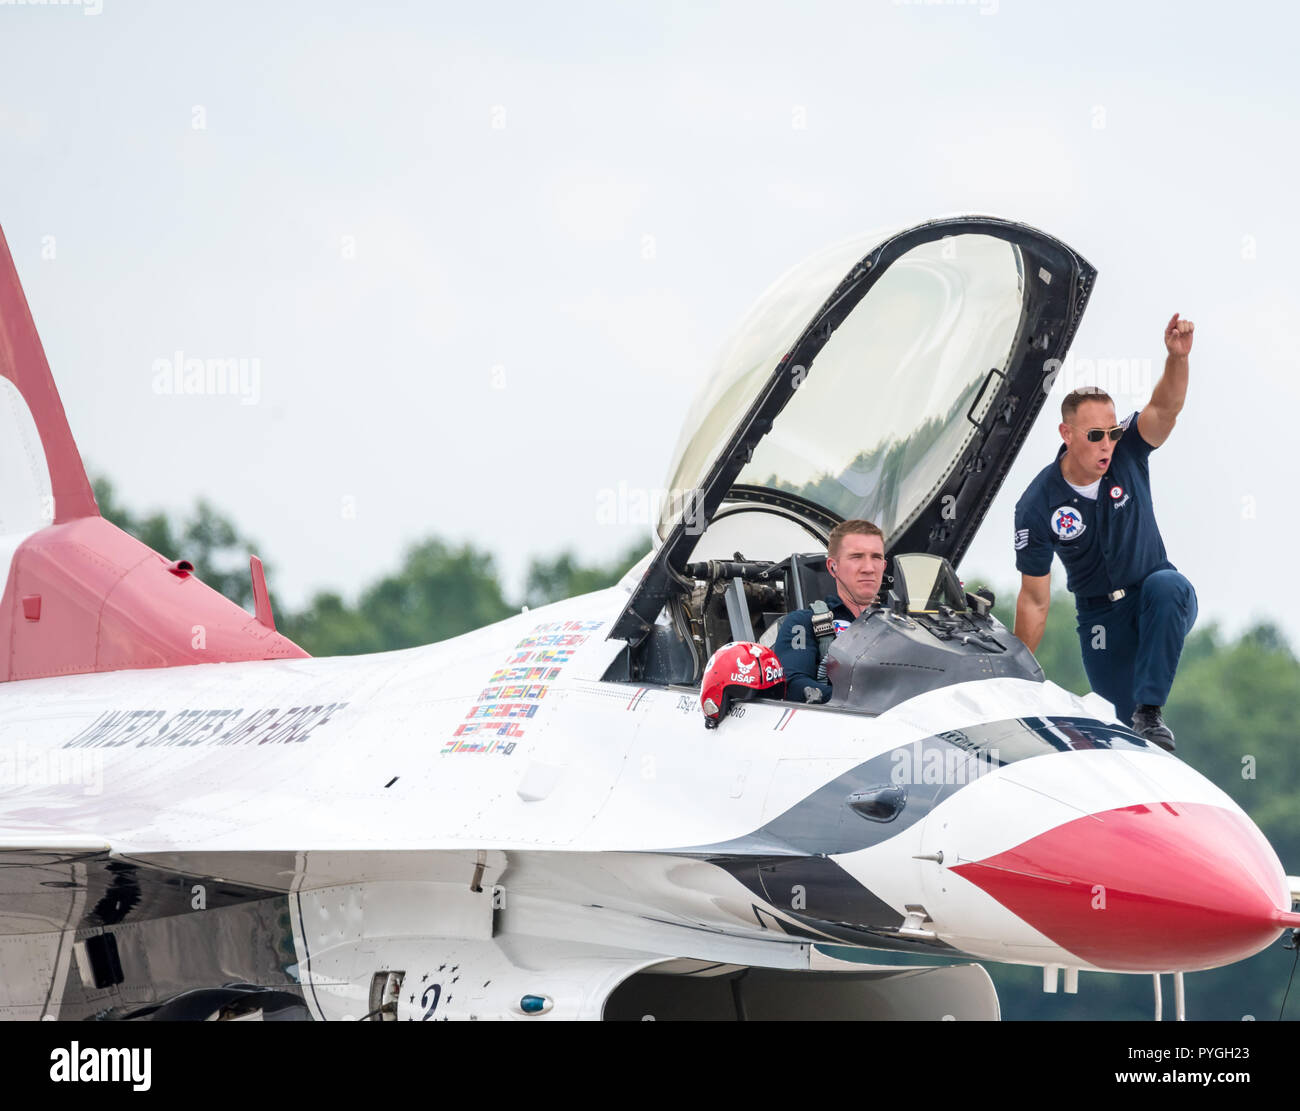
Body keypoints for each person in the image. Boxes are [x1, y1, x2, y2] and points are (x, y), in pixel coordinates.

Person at [1012, 314, 1197, 752]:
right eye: (1095, 435)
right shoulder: (1037, 504)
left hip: (1155, 597)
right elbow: (1036, 600)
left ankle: (1151, 711)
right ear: (1067, 433)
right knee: (1121, 740)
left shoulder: (1128, 451)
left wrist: (1176, 359)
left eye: (1111, 433)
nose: (1107, 444)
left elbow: (1164, 409)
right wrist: (1014, 676)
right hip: (1100, 622)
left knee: (1167, 586)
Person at [773, 519, 886, 703]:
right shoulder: (803, 623)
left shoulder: (906, 626)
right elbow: (793, 685)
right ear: (833, 567)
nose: (868, 568)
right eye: (856, 557)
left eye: (876, 557)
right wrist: (862, 701)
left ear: (884, 566)